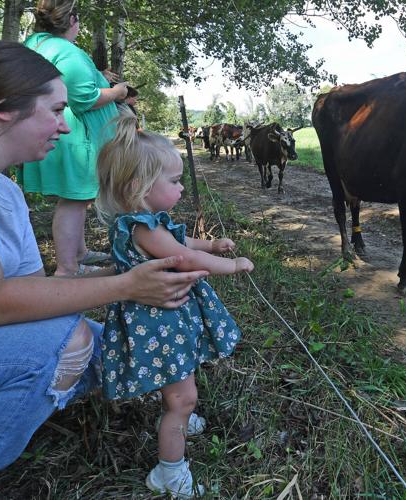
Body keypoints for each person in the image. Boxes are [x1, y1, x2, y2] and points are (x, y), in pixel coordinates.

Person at [0, 28, 206, 499]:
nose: (65, 127)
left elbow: (31, 294)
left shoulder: (6, 193)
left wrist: (131, 272)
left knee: (111, 344)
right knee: (64, 340)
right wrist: (127, 286)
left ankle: (180, 408)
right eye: (56, 110)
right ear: (5, 107)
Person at [95, 113, 254, 498]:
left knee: (180, 380)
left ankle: (179, 416)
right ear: (140, 187)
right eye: (174, 181)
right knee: (183, 397)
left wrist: (210, 244)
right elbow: (183, 257)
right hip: (159, 322)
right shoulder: (144, 228)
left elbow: (181, 243)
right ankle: (169, 472)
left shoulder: (147, 224)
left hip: (163, 318)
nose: (181, 187)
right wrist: (230, 265)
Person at [19, 0, 128, 276]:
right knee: (74, 201)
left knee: (76, 197)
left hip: (56, 137)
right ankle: (68, 268)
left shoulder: (37, 45)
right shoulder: (67, 51)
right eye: (77, 18)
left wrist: (98, 76)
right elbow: (84, 99)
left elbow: (68, 83)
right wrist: (118, 92)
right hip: (75, 141)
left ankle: (79, 253)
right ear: (70, 20)